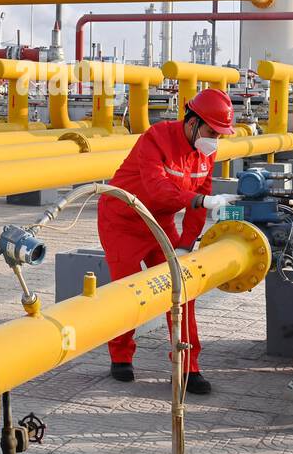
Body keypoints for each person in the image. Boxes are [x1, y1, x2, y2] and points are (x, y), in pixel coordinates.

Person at [97, 88, 238, 395]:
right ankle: (120, 356)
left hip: (159, 222)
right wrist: (201, 200)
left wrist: (187, 244)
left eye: (220, 134)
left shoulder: (207, 151)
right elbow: (158, 188)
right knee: (127, 289)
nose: (215, 139)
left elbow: (202, 197)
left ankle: (188, 364)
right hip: (122, 220)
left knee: (182, 287)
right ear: (192, 122)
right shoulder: (155, 138)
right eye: (212, 131)